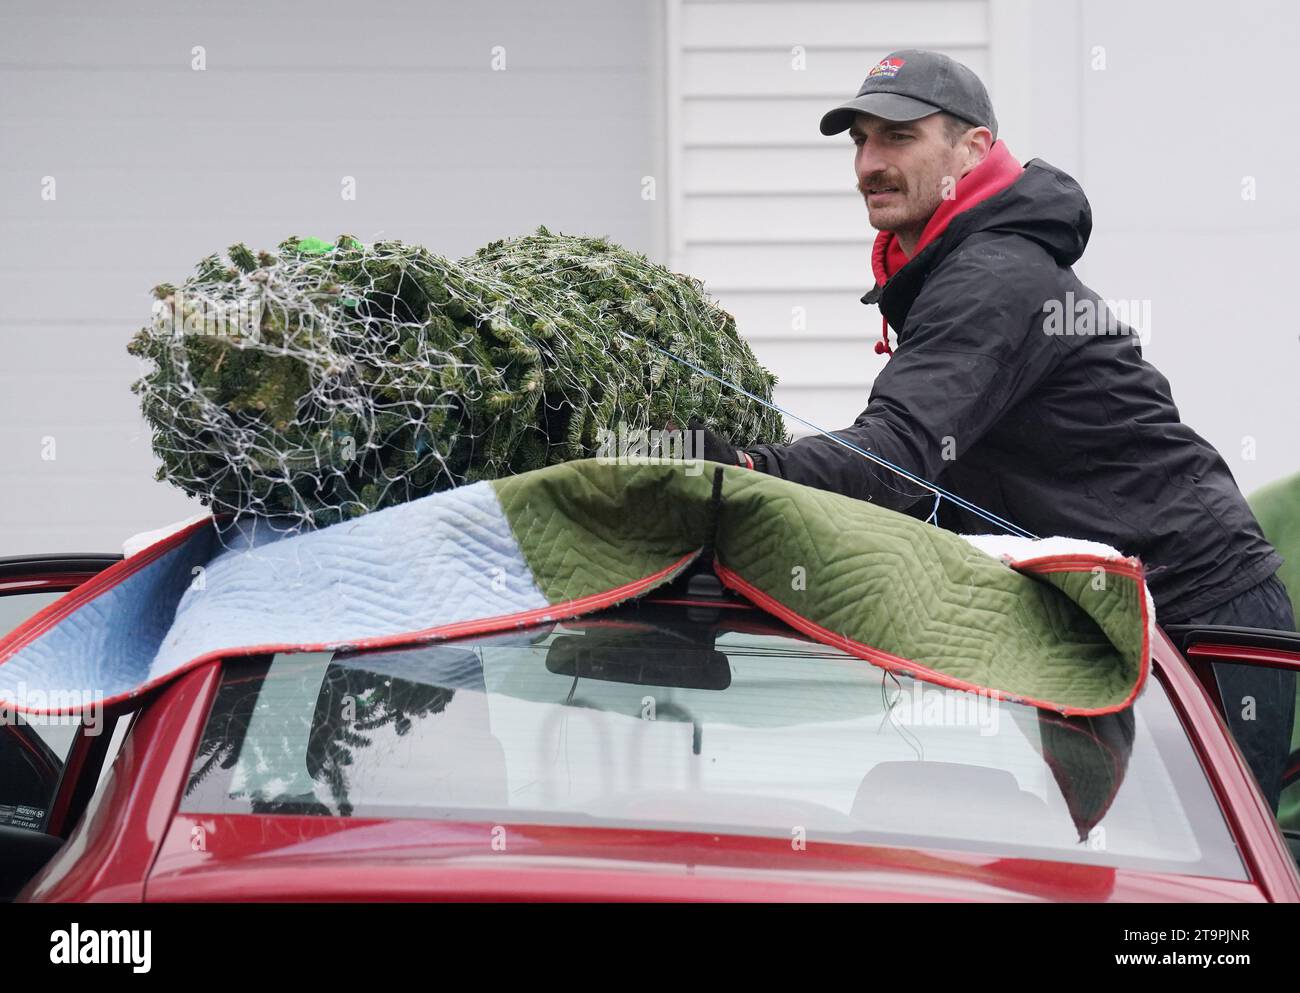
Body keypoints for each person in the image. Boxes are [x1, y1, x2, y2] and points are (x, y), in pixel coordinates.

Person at [691, 49, 1296, 810]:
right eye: (861, 141)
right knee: (1105, 863)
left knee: (1192, 898)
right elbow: (922, 485)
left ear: (974, 148)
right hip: (1109, 620)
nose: (869, 164)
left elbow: (897, 458)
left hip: (1200, 620)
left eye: (899, 138)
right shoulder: (959, 271)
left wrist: (741, 467)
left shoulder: (993, 277)